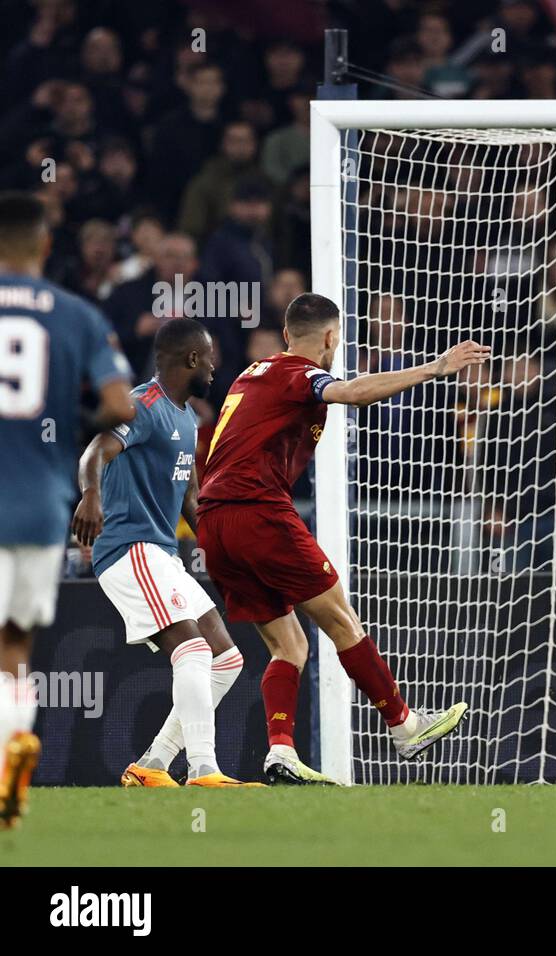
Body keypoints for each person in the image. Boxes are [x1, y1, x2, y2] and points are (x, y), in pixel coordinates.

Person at [196, 292, 490, 784]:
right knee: (343, 621)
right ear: (330, 338)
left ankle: (281, 752)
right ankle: (404, 725)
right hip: (257, 512)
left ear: (287, 333)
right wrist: (436, 367)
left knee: (289, 646)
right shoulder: (299, 374)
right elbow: (352, 393)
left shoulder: (252, 373)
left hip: (214, 521)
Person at [73, 319, 257, 787]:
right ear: (192, 359)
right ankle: (203, 769)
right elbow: (94, 451)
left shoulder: (187, 416)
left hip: (161, 554)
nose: (216, 367)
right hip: (129, 549)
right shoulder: (143, 405)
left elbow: (191, 495)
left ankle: (153, 764)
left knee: (226, 659)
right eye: (210, 357)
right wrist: (91, 495)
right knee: (192, 647)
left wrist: (220, 548)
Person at [0, 191, 134, 827]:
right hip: (42, 507)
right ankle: (12, 753)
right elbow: (120, 406)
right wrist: (66, 430)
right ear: (45, 245)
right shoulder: (75, 313)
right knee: (14, 643)